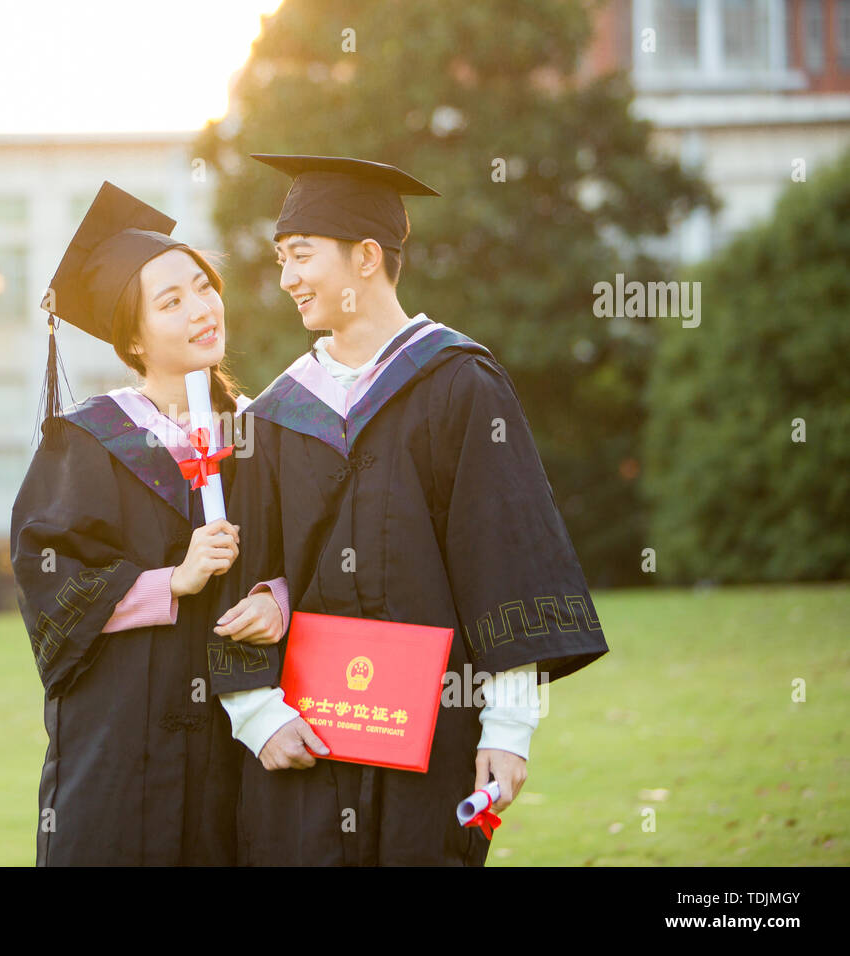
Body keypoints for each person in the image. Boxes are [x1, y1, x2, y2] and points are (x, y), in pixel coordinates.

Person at [210, 154, 610, 865]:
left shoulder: (459, 385)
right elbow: (243, 575)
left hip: (432, 738)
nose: (286, 279)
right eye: (280, 260)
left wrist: (507, 730)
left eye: (301, 256)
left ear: (366, 258)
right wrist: (255, 713)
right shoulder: (275, 415)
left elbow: (505, 557)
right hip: (305, 741)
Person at [10, 182, 289, 865]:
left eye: (203, 286)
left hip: (238, 750)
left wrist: (276, 600)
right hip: (121, 753)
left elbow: (309, 551)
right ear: (132, 338)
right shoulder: (88, 442)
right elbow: (49, 588)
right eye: (172, 302)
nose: (201, 310)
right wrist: (172, 580)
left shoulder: (263, 432)